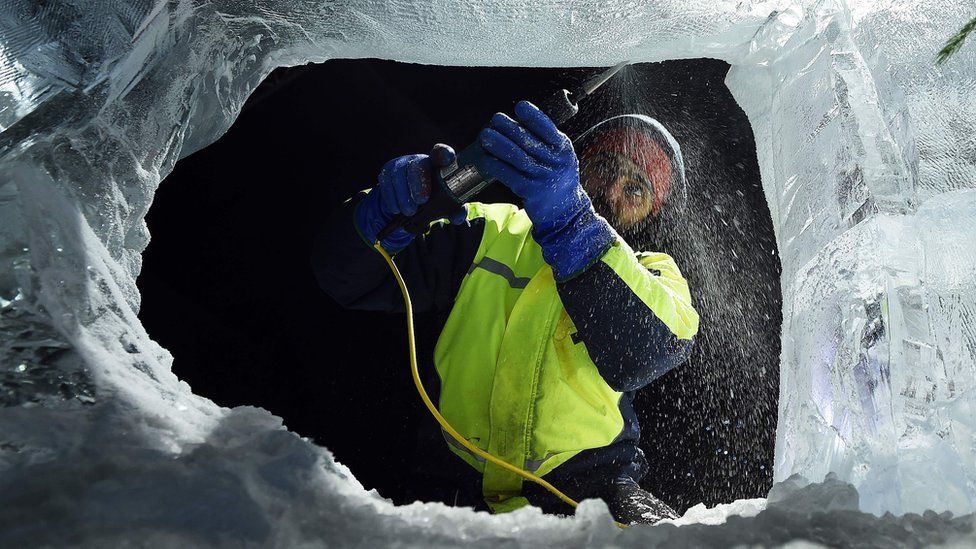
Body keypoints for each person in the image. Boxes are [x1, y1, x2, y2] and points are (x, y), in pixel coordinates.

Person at [312, 101, 699, 525]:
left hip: (589, 493)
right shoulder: (490, 229)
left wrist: (572, 224)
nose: (611, 192)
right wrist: (381, 214)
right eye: (605, 167)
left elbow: (645, 354)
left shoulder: (653, 271)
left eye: (636, 189)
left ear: (651, 214)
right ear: (577, 163)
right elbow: (347, 279)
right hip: (451, 485)